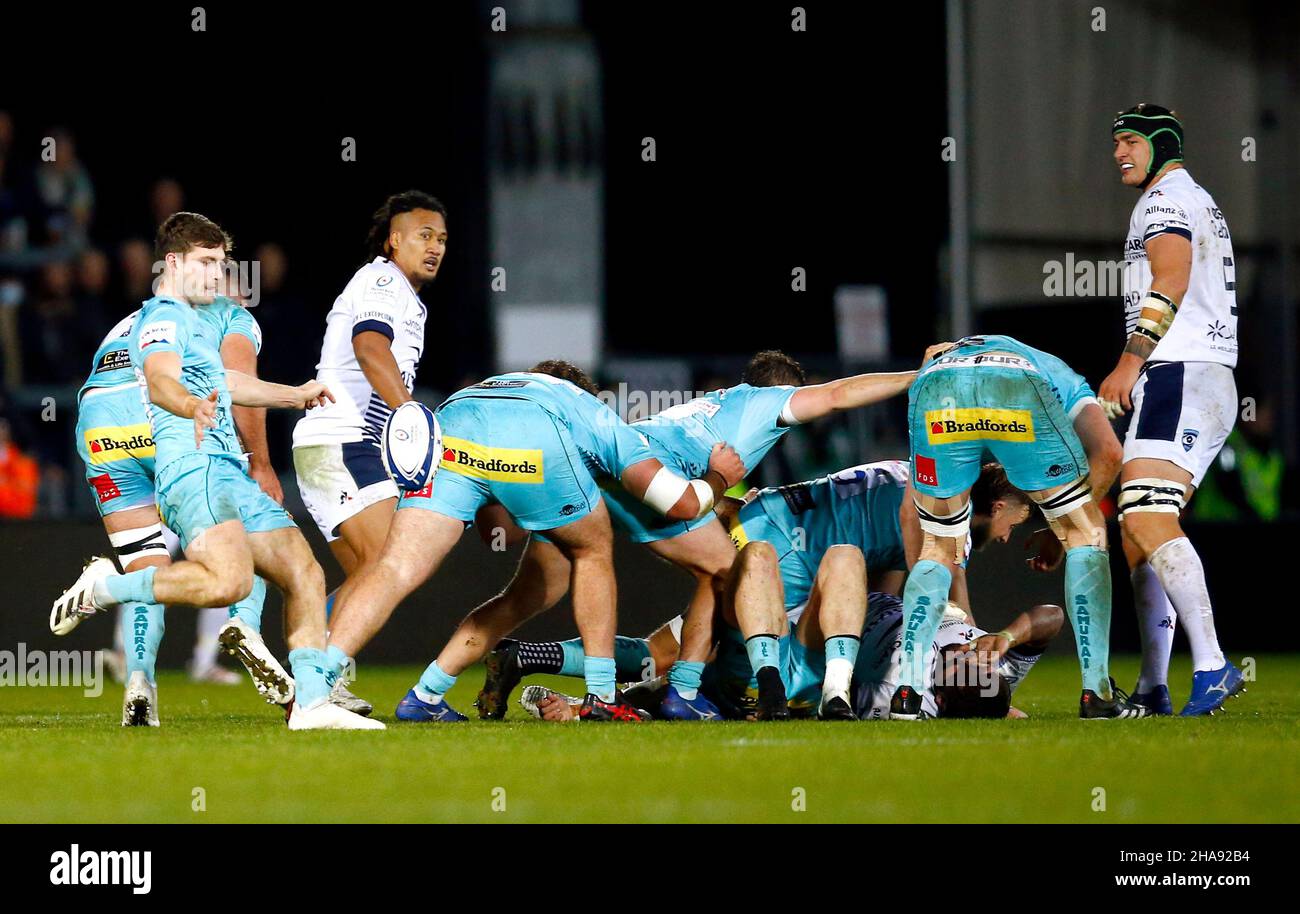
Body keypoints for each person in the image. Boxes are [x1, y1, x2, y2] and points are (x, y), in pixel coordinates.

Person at [50, 211, 380, 730]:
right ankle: (223, 622)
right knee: (232, 574)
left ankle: (145, 686)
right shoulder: (194, 316)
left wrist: (295, 395)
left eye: (222, 263)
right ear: (176, 263)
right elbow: (165, 379)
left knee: (293, 568)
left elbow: (224, 382)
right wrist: (241, 447)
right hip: (183, 442)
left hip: (102, 431)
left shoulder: (154, 319)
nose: (220, 275)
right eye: (209, 263)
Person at [892, 334, 1144, 719]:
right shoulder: (1064, 379)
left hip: (934, 385)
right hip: (1010, 386)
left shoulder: (958, 351)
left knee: (938, 549)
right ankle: (1098, 693)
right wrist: (1063, 536)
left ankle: (907, 694)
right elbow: (1109, 453)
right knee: (1087, 533)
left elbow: (910, 510)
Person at [1100, 104, 1246, 717]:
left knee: (1146, 517)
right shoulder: (1195, 197)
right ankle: (1154, 684)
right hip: (1194, 375)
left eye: (1130, 141)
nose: (1118, 153)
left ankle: (1211, 666)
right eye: (1116, 143)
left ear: (1161, 145)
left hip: (1180, 373)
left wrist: (1130, 362)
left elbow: (1172, 279)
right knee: (1138, 531)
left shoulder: (1162, 203)